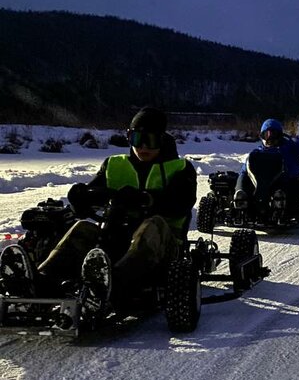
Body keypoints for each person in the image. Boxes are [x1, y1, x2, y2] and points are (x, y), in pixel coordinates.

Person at [0, 106, 197, 315]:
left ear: (162, 140)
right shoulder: (113, 164)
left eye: (151, 140)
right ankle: (38, 282)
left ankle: (112, 283)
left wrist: (146, 199)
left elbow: (181, 202)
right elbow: (93, 194)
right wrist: (82, 198)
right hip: (117, 237)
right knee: (83, 228)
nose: (143, 147)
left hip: (165, 246)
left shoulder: (181, 168)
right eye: (137, 139)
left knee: (153, 223)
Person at [234, 109, 299, 216]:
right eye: (267, 135)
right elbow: (246, 170)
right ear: (262, 136)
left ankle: (280, 202)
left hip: (284, 183)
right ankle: (241, 201)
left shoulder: (290, 149)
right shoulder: (256, 152)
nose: (270, 138)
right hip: (258, 186)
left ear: (280, 135)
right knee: (243, 177)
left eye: (273, 135)